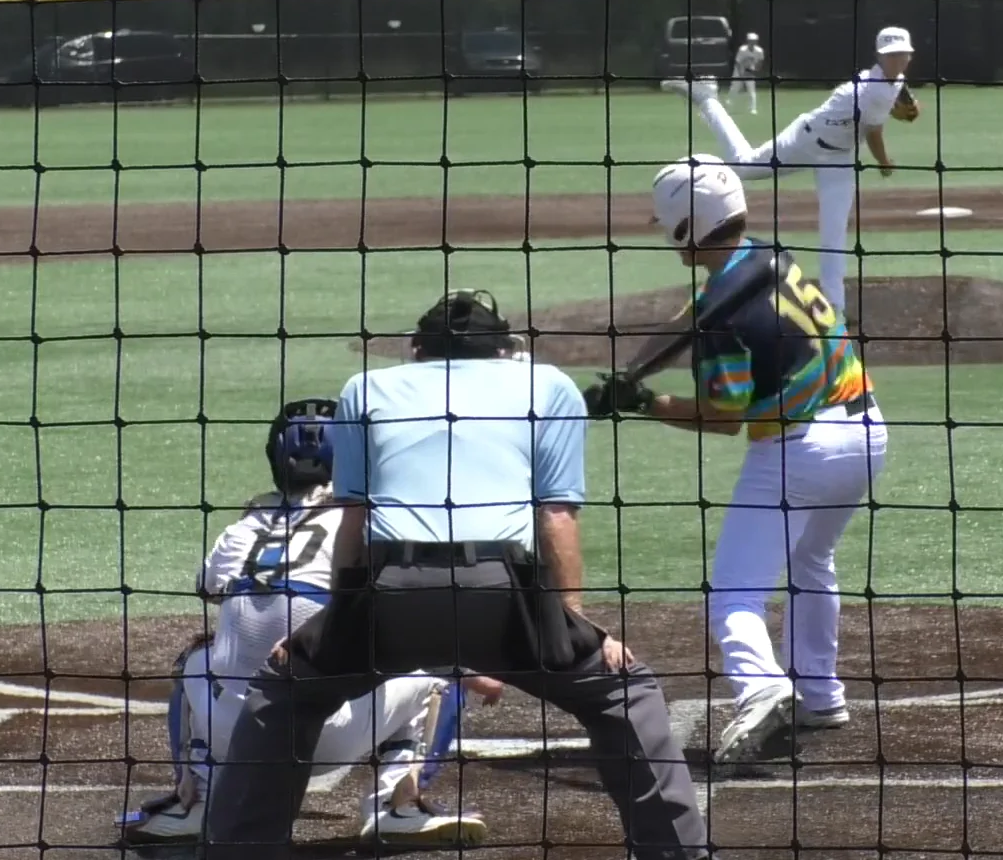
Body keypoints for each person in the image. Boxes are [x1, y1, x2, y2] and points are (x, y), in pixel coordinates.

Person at [201, 291, 710, 860]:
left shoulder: (366, 388)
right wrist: (575, 628)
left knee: (284, 689)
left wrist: (326, 630)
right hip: (500, 596)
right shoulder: (548, 386)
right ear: (503, 350)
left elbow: (355, 521)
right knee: (624, 689)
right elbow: (556, 518)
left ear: (418, 350)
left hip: (387, 594)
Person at [585, 155, 888, 766]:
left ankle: (761, 689)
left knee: (733, 595)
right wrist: (631, 373)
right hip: (866, 433)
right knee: (811, 561)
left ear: (686, 225)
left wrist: (642, 403)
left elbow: (724, 418)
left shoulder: (725, 323)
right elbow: (693, 317)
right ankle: (819, 694)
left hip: (799, 452)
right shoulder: (764, 257)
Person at [119, 399, 496, 849]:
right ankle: (398, 805)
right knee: (441, 672)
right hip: (330, 735)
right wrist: (469, 668)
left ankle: (195, 802)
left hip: (238, 738)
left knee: (196, 660)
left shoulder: (247, 524)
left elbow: (209, 586)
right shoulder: (369, 522)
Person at [662, 26, 918, 319]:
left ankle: (835, 307)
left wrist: (910, 109)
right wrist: (885, 163)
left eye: (902, 54)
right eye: (891, 55)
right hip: (805, 140)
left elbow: (898, 106)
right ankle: (707, 99)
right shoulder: (874, 88)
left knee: (834, 231)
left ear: (909, 56)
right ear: (879, 56)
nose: (897, 59)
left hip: (840, 158)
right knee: (745, 166)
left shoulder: (893, 83)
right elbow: (874, 133)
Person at [731, 33, 766, 115]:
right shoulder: (742, 50)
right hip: (739, 71)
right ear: (748, 41)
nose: (752, 42)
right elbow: (738, 62)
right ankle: (729, 107)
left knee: (751, 90)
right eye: (750, 41)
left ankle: (752, 109)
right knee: (734, 89)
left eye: (754, 41)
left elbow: (760, 62)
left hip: (750, 72)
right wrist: (741, 74)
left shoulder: (759, 51)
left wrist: (755, 70)